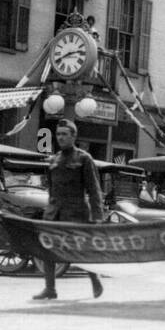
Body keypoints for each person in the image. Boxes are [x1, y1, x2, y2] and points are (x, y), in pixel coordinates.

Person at [32, 119, 105, 302]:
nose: (61, 137)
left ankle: (95, 279)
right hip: (53, 213)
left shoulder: (84, 158)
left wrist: (97, 217)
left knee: (82, 250)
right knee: (47, 249)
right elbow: (51, 189)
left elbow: (94, 190)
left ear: (74, 136)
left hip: (76, 213)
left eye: (65, 134)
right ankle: (50, 288)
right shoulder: (53, 160)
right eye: (58, 134)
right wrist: (49, 209)